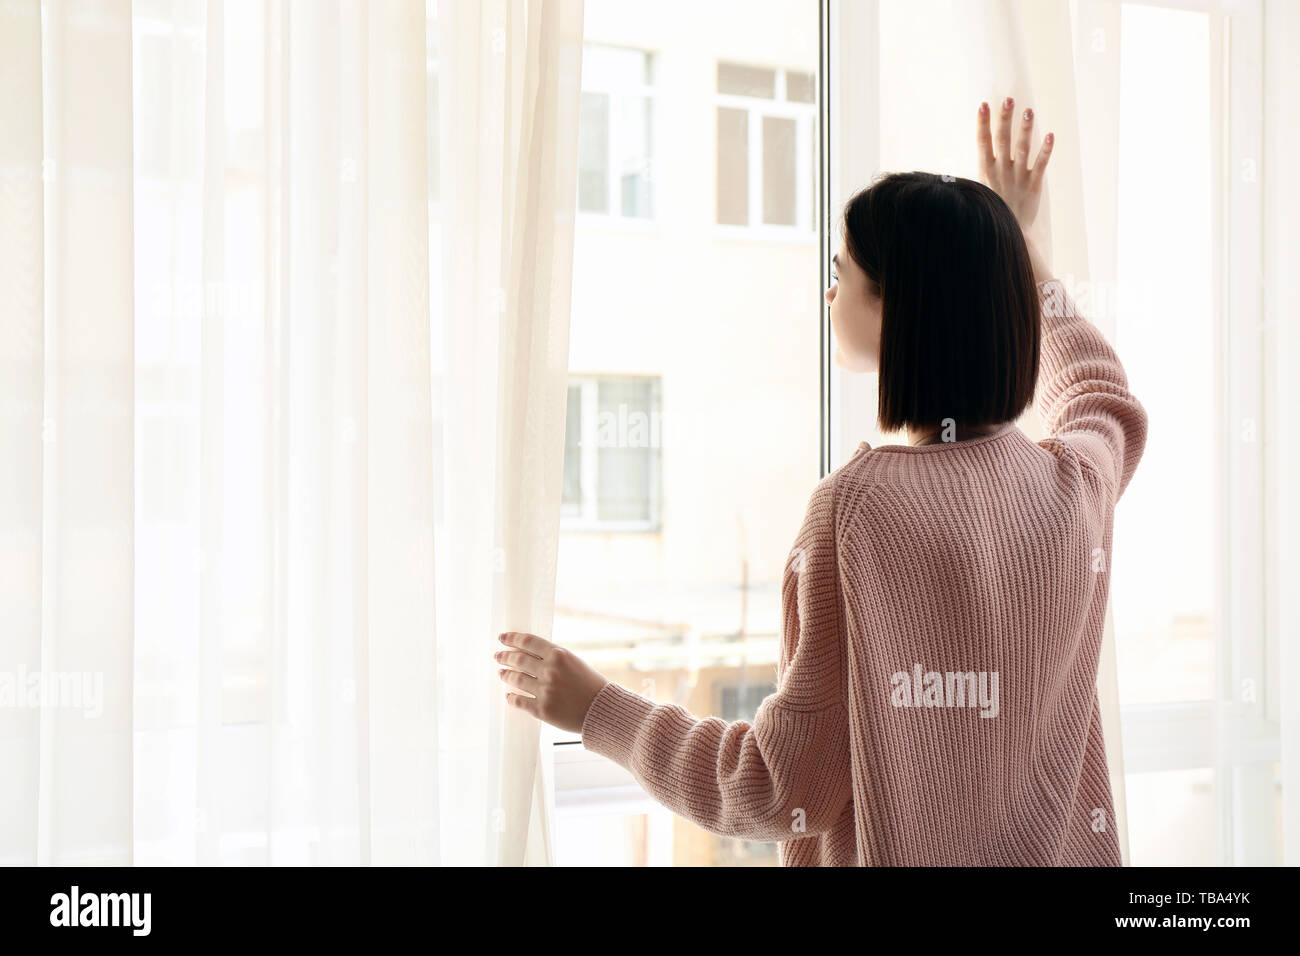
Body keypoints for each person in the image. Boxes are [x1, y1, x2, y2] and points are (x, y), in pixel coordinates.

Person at [493, 97, 1148, 866]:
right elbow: (1102, 393)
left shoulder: (856, 514)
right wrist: (1019, 249)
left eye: (841, 274)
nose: (828, 294)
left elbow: (778, 788)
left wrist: (599, 709)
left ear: (898, 310)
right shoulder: (1073, 486)